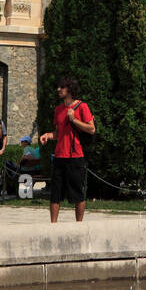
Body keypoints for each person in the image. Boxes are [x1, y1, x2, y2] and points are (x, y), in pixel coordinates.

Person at [39, 80, 95, 223]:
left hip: (75, 156)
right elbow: (58, 133)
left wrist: (74, 119)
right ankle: (53, 225)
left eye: (62, 87)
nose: (58, 89)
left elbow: (91, 128)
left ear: (70, 90)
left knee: (77, 193)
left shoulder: (82, 107)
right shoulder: (58, 109)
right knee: (55, 194)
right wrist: (48, 135)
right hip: (59, 156)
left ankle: (79, 226)